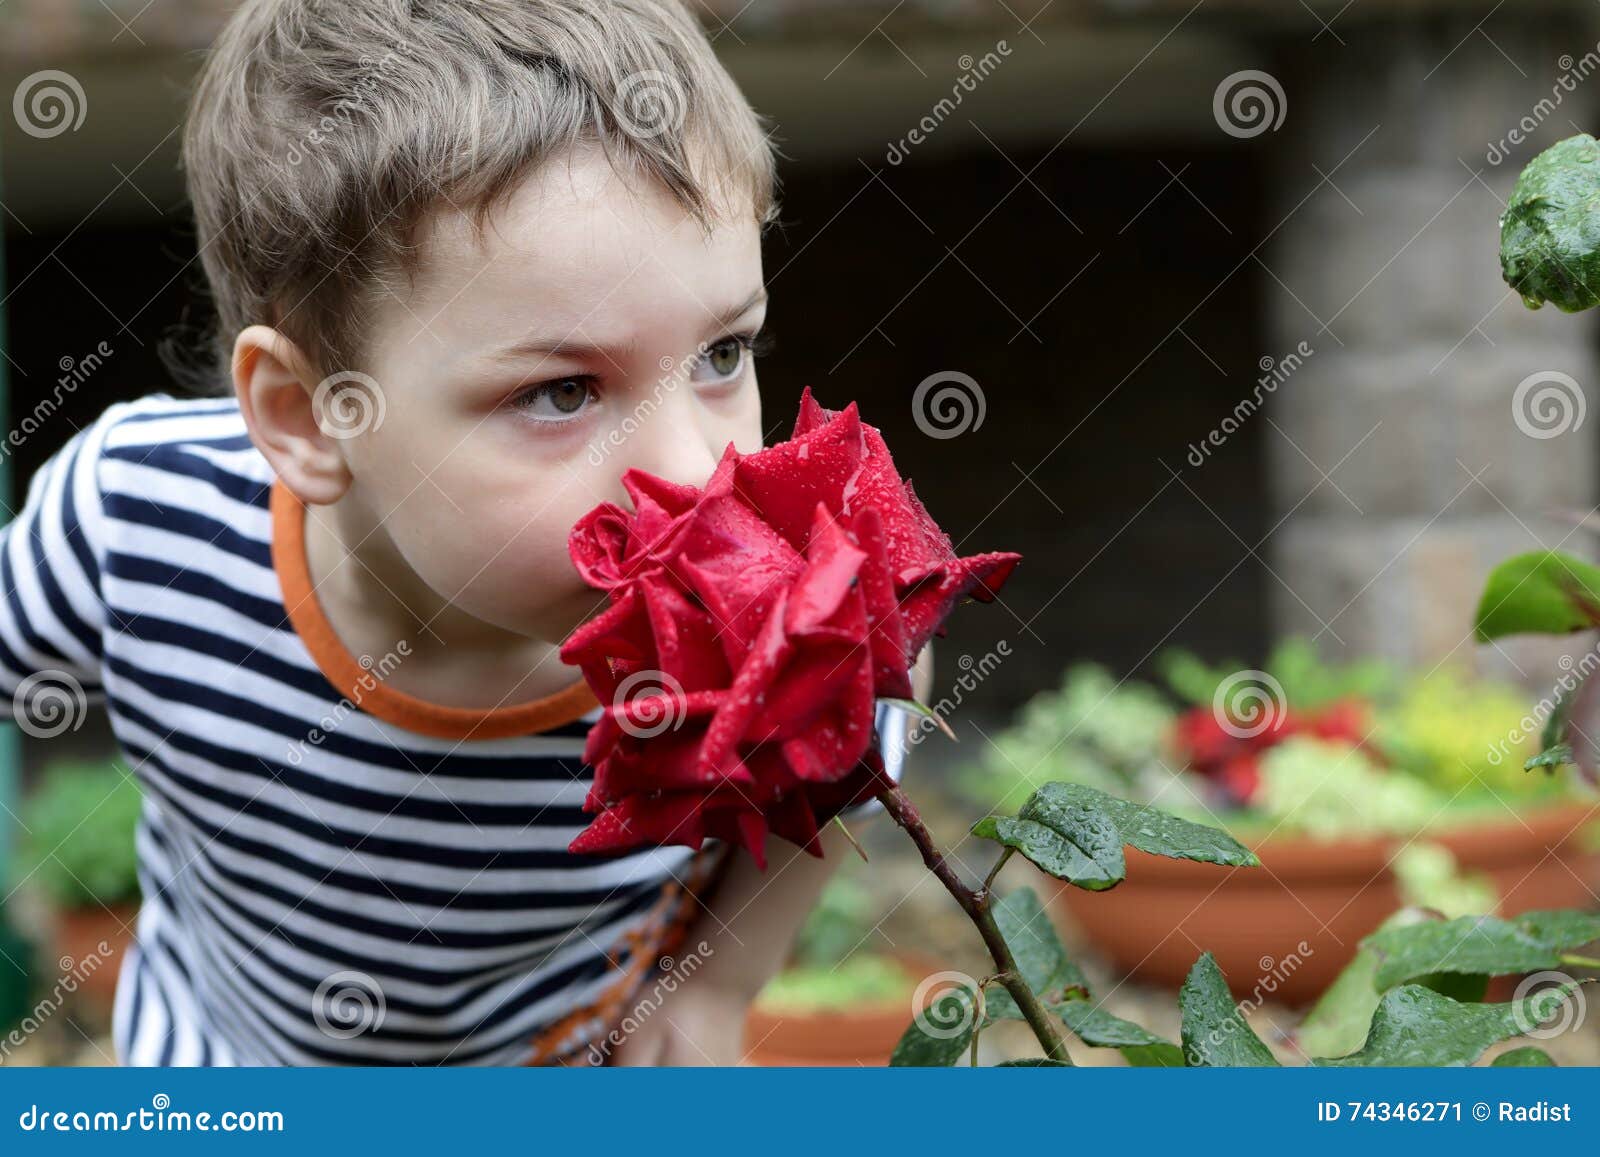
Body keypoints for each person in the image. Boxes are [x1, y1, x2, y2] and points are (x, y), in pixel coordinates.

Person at [1, 0, 926, 1066]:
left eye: (722, 354)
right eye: (564, 389)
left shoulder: (746, 609)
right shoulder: (138, 526)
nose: (693, 471)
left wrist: (721, 980)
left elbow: (882, 689)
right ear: (310, 417)